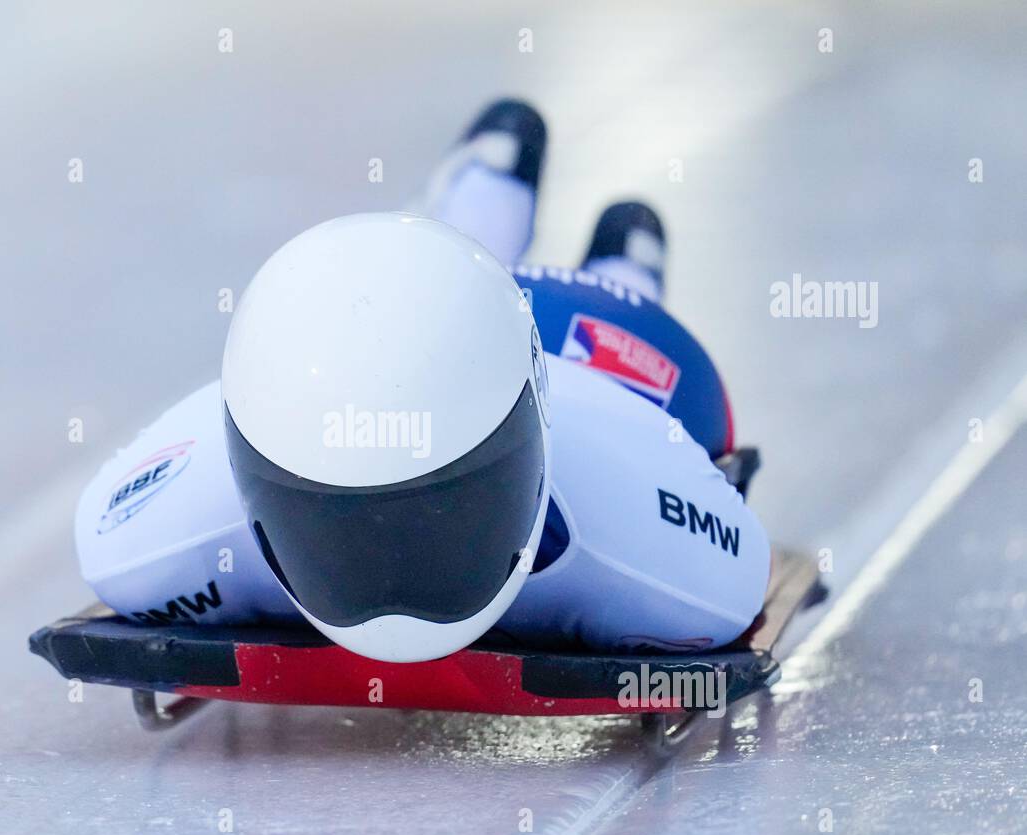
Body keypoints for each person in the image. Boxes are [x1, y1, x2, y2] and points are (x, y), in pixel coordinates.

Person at [74, 104, 770, 661]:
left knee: (655, 364)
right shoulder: (693, 586)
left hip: (568, 351)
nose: (391, 570)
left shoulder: (139, 551)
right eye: (335, 521)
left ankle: (490, 228)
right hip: (577, 385)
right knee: (676, 388)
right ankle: (514, 240)